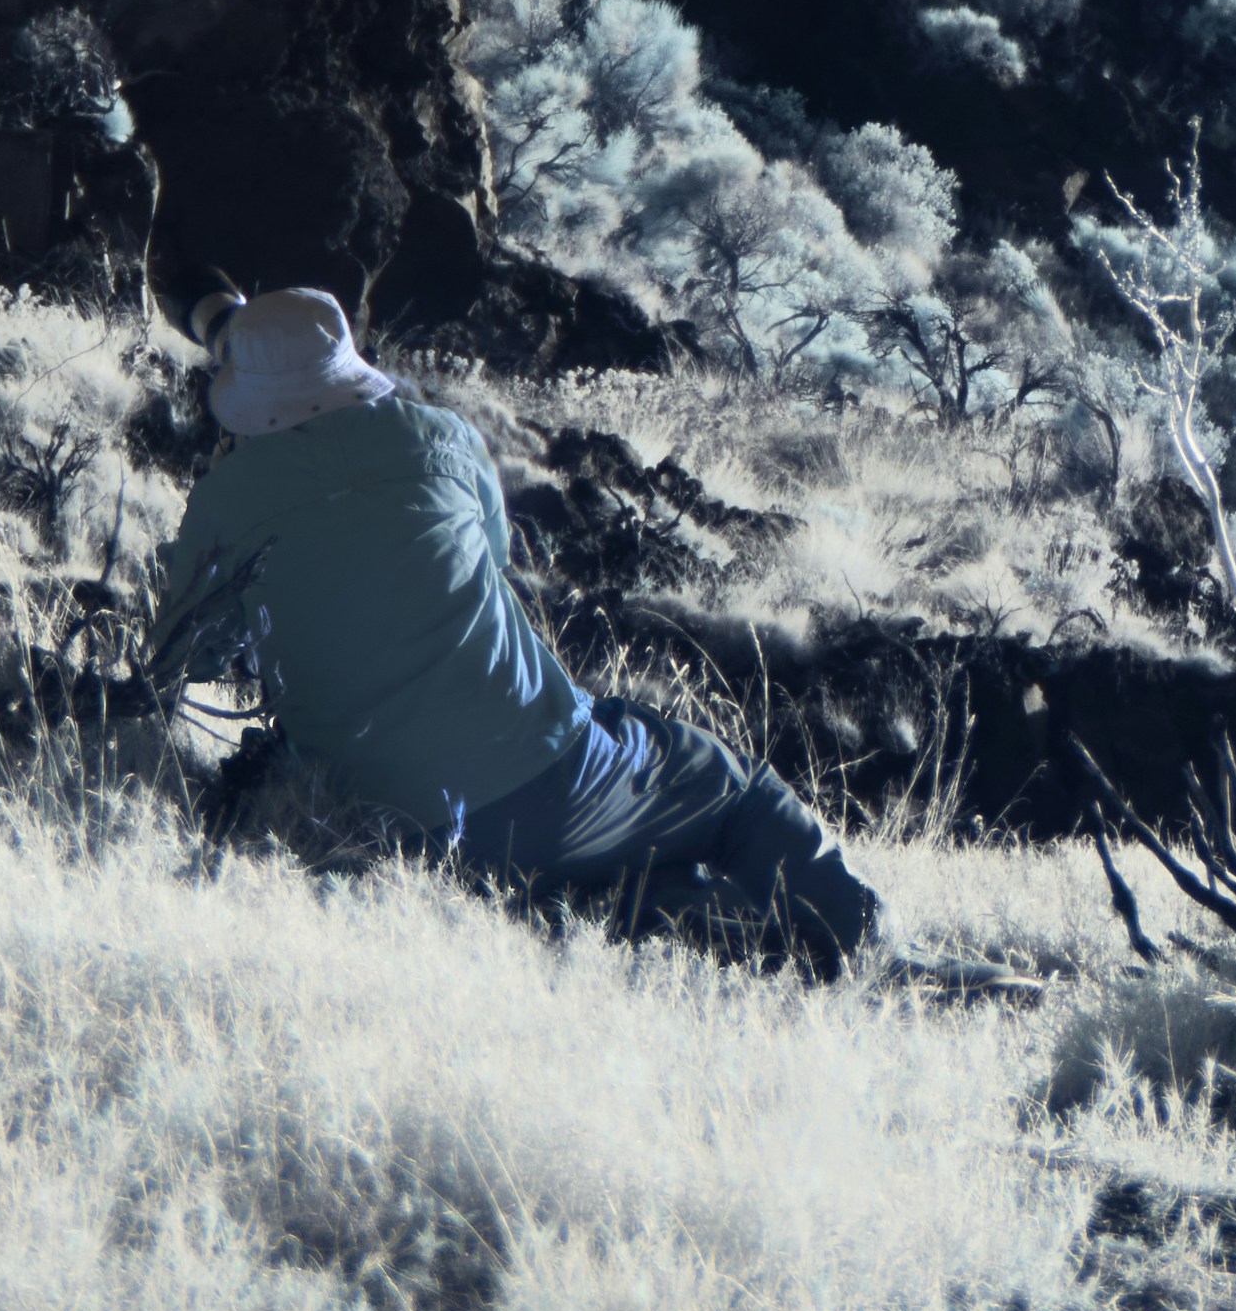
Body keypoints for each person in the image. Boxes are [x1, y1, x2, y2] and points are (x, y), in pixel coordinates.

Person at [150, 287, 882, 969]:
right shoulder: (438, 438)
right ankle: (865, 944)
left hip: (405, 834)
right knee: (729, 786)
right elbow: (494, 557)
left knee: (573, 893)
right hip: (552, 773)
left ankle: (699, 927)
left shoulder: (223, 501)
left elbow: (190, 655)